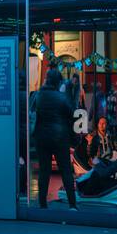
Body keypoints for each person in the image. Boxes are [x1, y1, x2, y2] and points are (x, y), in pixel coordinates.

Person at [31, 69, 77, 209]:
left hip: (42, 137)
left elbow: (33, 113)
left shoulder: (38, 95)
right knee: (65, 170)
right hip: (60, 138)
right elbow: (72, 114)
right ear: (58, 82)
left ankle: (42, 203)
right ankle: (72, 204)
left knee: (44, 171)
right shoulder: (61, 97)